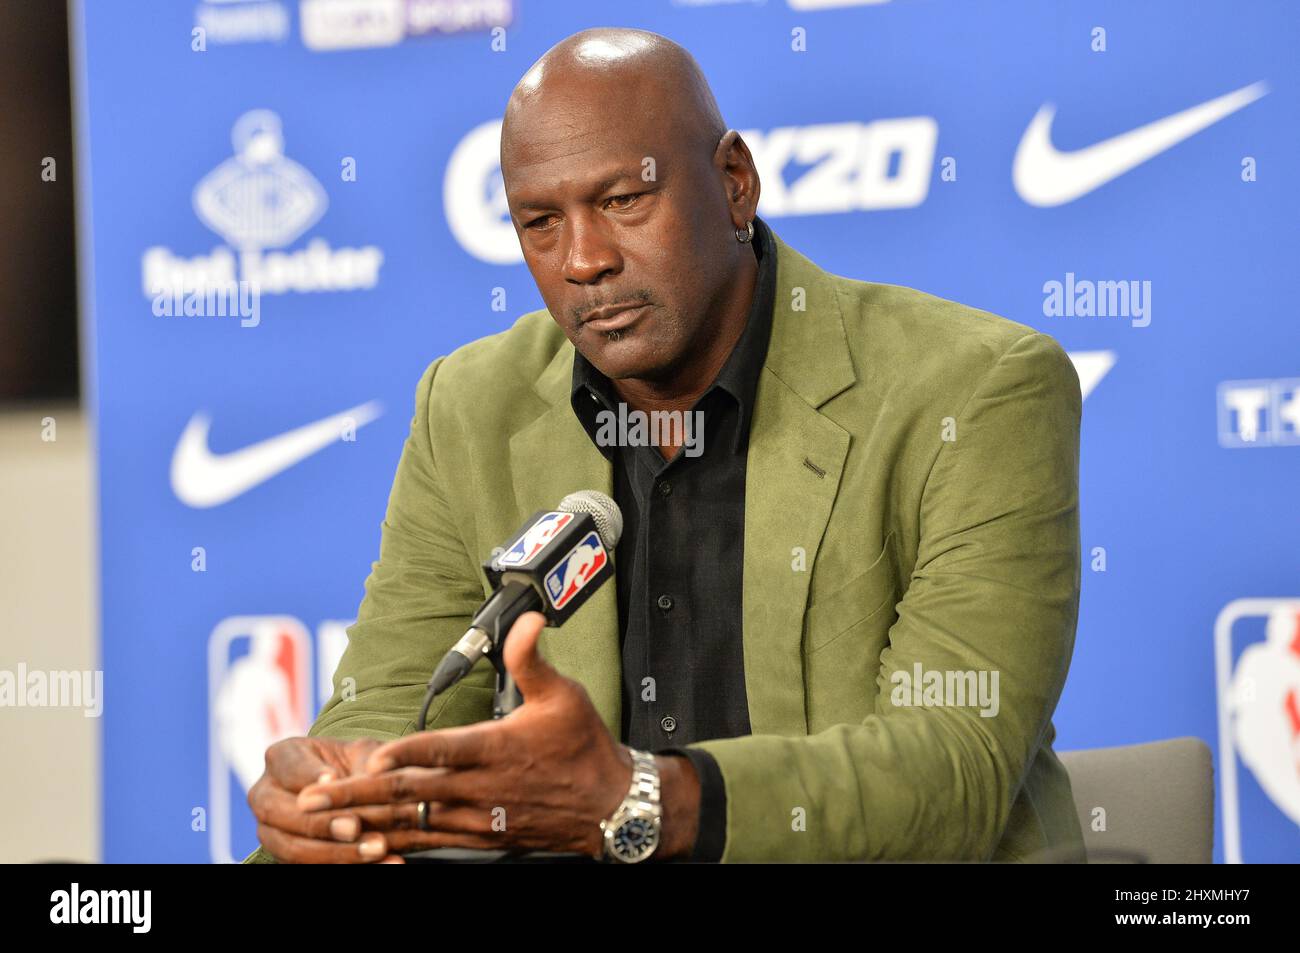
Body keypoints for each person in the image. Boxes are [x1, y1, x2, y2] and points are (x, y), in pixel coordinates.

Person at [244, 26, 1084, 864]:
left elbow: (951, 771)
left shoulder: (975, 389)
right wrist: (336, 793)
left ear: (734, 184)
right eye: (540, 222)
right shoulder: (469, 407)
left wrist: (637, 794)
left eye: (622, 201)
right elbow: (392, 705)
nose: (584, 260)